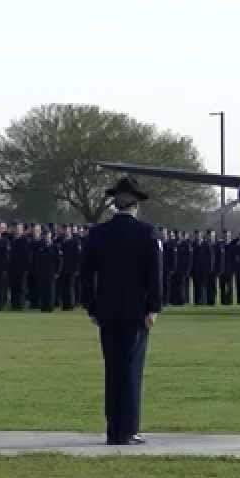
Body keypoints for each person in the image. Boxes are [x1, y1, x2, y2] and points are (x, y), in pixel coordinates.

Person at [81, 177, 162, 446]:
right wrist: (153, 307)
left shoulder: (98, 233)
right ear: (136, 204)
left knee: (113, 369)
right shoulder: (147, 233)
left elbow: (85, 275)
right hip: (136, 311)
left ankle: (113, 428)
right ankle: (127, 429)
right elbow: (155, 276)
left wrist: (91, 306)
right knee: (131, 370)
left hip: (107, 311)